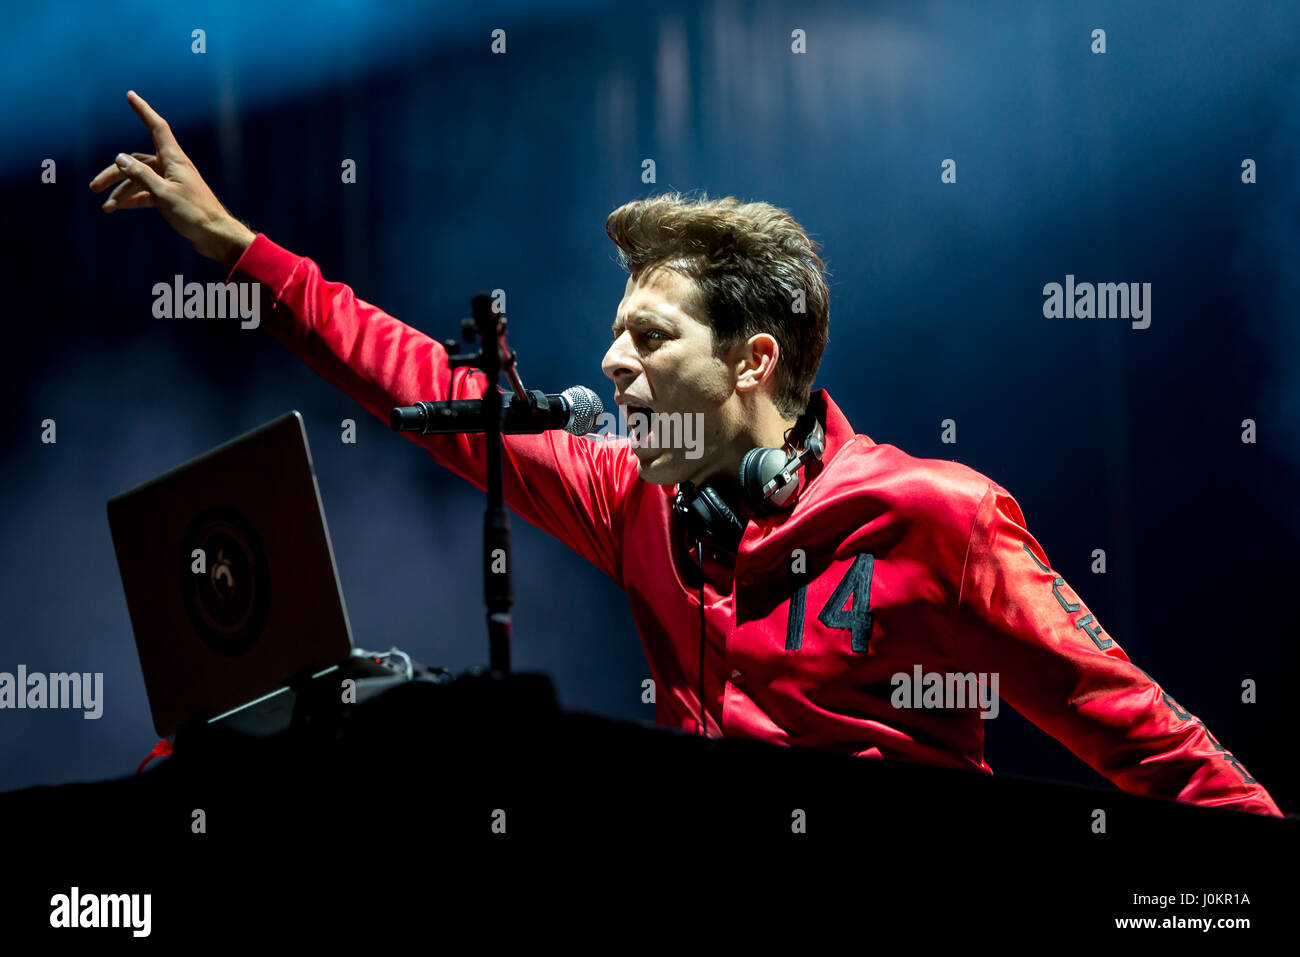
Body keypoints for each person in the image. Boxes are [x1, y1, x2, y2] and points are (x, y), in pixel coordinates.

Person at [90, 90, 1282, 817]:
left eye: (647, 337)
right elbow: (429, 383)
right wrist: (242, 248)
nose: (611, 363)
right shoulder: (633, 495)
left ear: (753, 361)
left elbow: (1157, 749)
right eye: (613, 332)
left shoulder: (941, 518)